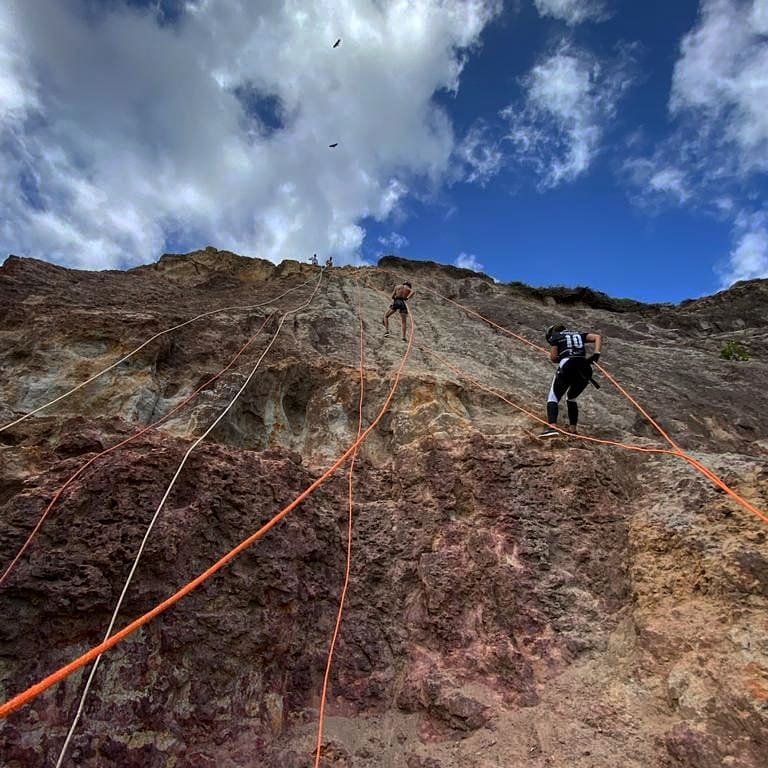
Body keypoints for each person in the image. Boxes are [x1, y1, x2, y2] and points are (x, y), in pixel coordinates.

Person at [539, 324, 602, 438]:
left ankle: (552, 428)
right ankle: (573, 429)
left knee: (553, 398)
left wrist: (562, 356)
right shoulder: (578, 334)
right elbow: (597, 337)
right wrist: (596, 353)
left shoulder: (556, 336)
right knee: (571, 398)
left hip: (568, 365)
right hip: (585, 368)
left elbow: (553, 358)